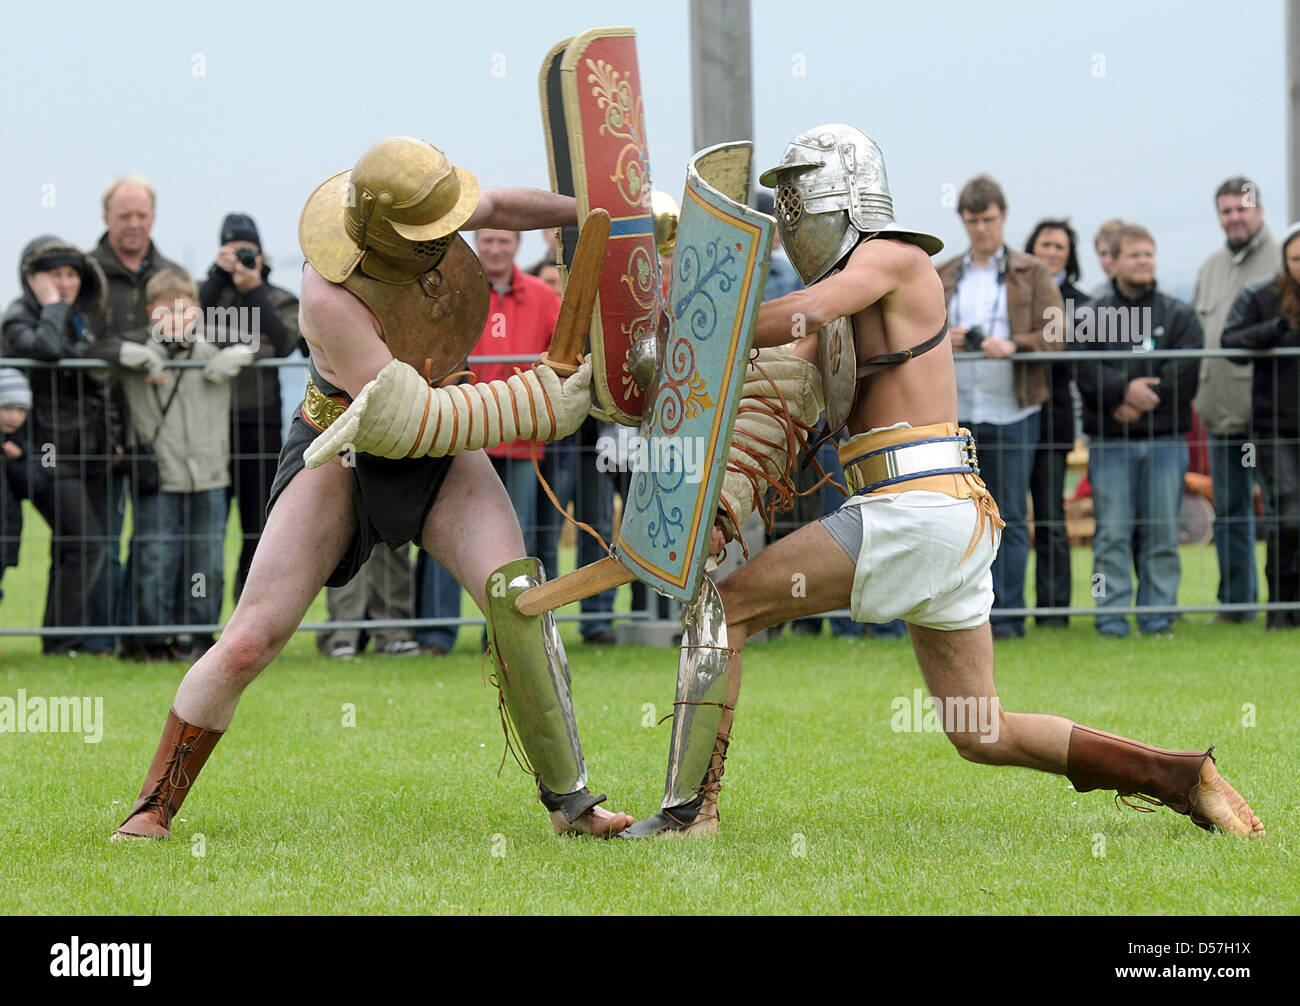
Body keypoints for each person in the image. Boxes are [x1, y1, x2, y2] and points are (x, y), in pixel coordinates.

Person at [623, 124, 1262, 840]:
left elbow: (796, 313)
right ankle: (1178, 777)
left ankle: (689, 813)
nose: (791, 216)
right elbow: (765, 365)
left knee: (724, 609)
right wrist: (659, 374)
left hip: (915, 507)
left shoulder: (891, 259)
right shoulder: (843, 304)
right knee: (981, 730)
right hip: (941, 515)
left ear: (842, 197)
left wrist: (689, 330)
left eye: (797, 198)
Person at [112, 136, 630, 841]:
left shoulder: (428, 210)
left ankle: (573, 804)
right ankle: (153, 807)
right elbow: (404, 417)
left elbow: (504, 204)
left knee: (518, 601)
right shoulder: (326, 296)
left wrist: (610, 210)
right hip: (345, 448)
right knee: (250, 638)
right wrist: (536, 404)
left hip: (445, 442)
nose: (448, 235)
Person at [94, 268, 253, 661]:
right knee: (154, 558)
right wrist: (137, 356)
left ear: (196, 311)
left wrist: (241, 354)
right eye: (165, 312)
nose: (175, 319)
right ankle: (150, 639)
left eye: (183, 311)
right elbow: (91, 351)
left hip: (209, 472)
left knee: (207, 560)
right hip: (159, 474)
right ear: (151, 312)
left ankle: (196, 638)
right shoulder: (138, 355)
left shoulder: (213, 347)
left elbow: (276, 343)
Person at [937, 175, 1061, 639]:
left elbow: (1056, 334)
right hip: (958, 411)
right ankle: (966, 617)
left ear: (1003, 217)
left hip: (1013, 408)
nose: (981, 229)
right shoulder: (946, 271)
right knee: (960, 516)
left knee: (1009, 513)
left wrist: (1013, 345)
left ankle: (1008, 616)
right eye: (972, 221)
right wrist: (942, 339)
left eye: (988, 220)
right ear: (963, 221)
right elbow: (918, 331)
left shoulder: (1032, 271)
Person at [1075, 225, 1203, 637]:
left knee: (1162, 531)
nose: (1144, 261)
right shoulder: (1091, 316)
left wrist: (1145, 399)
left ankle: (1157, 615)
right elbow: (1085, 371)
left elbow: (1186, 370)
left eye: (1149, 254)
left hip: (1166, 442)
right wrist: (1122, 393)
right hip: (1111, 443)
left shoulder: (1178, 314)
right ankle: (1110, 615)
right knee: (1112, 532)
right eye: (1135, 255)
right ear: (1113, 261)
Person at [1, 237, 118, 655]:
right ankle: (64, 641)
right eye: (55, 275)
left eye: (71, 274)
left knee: (73, 544)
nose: (65, 283)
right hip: (43, 453)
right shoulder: (18, 317)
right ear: (33, 279)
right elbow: (46, 350)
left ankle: (59, 639)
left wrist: (114, 440)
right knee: (85, 542)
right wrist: (51, 304)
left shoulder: (81, 318)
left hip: (84, 449)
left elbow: (95, 382)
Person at [89, 175, 184, 653]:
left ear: (153, 217)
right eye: (124, 215)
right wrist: (125, 350)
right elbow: (79, 339)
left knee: (153, 541)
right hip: (97, 424)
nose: (133, 224)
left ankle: (142, 637)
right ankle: (102, 639)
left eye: (141, 214)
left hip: (157, 429)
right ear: (106, 218)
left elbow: (194, 332)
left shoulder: (170, 271)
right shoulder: (87, 274)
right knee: (102, 539)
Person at [199, 212, 302, 601]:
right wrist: (216, 277)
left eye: (247, 251)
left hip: (258, 422)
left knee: (258, 530)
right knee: (206, 528)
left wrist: (254, 288)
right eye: (232, 250)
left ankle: (247, 618)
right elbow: (183, 324)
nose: (240, 258)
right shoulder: (208, 293)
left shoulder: (278, 298)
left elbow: (285, 341)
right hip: (209, 423)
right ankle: (202, 619)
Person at [1192, 178, 1280, 623]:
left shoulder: (1284, 260)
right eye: (1226, 211)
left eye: (1242, 209)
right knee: (1229, 511)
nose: (1235, 217)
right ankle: (1237, 605)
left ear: (1259, 211)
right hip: (1220, 415)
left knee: (1285, 508)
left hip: (1272, 415)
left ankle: (1284, 604)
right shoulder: (1209, 268)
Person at [1222, 220, 1300, 629]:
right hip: (1277, 428)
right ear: (1285, 261)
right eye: (1296, 257)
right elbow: (1230, 342)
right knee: (1287, 515)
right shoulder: (1262, 297)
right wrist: (1275, 331)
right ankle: (1282, 608)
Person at [1024, 218, 1087, 626]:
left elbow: (1070, 354)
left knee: (1050, 517)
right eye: (1045, 244)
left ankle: (1053, 612)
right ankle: (999, 610)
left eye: (1059, 247)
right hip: (1006, 416)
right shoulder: (1013, 292)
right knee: (1002, 516)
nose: (1051, 252)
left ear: (1069, 256)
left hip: (1051, 423)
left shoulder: (1080, 303)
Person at [0, 368, 37, 606]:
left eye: (21, 410)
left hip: (6, 529)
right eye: (7, 409)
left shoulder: (24, 445)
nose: (15, 417)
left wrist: (19, 461)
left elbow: (36, 485)